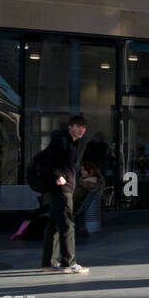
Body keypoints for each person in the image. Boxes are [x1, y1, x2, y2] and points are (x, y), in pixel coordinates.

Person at [39, 114, 89, 273]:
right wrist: (58, 176)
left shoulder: (73, 143)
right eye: (77, 126)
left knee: (53, 225)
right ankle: (69, 263)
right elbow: (47, 160)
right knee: (67, 224)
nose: (81, 129)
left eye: (83, 127)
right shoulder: (62, 140)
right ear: (70, 127)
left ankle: (49, 262)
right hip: (62, 188)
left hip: (62, 187)